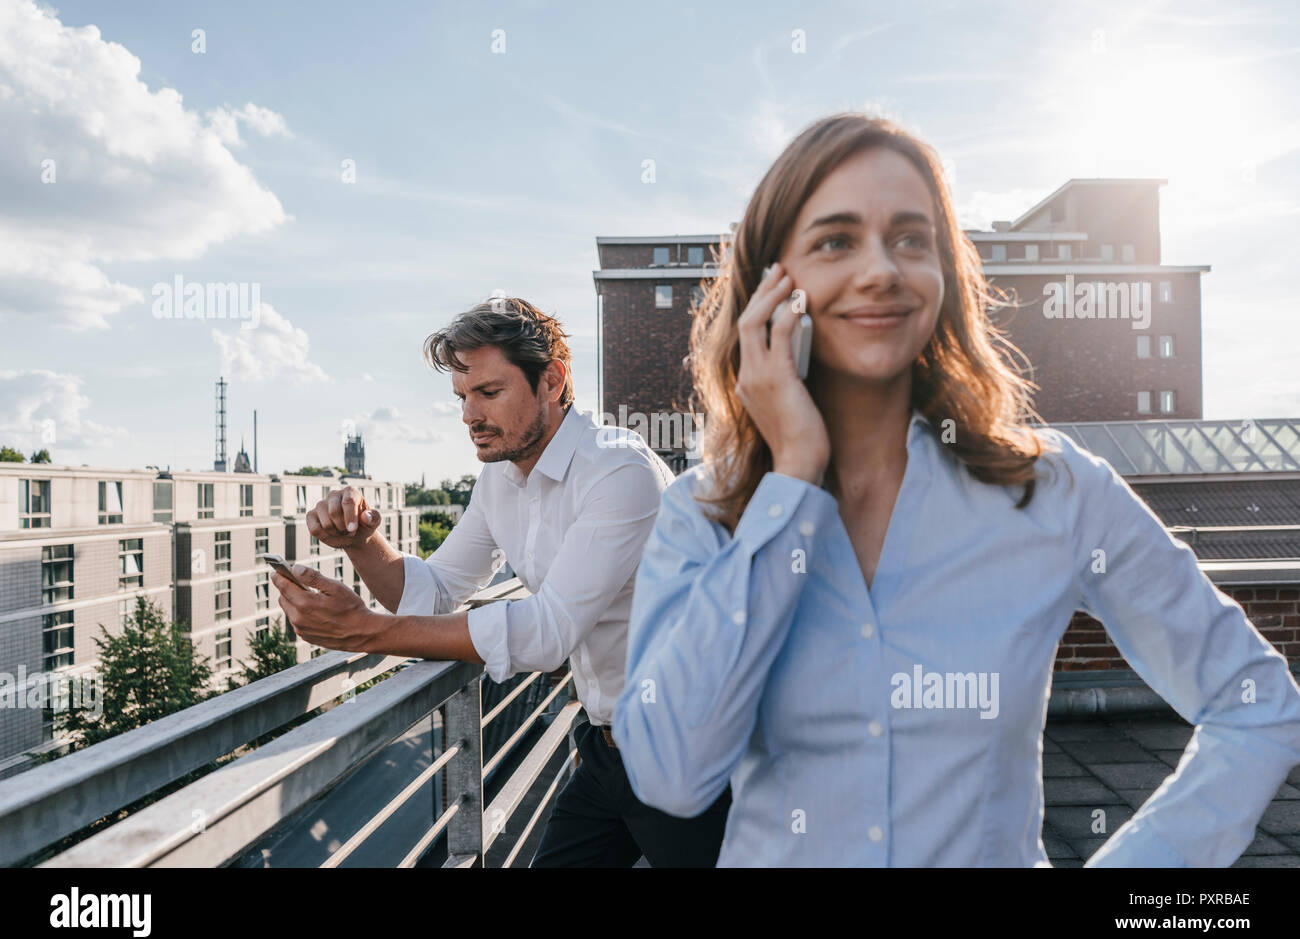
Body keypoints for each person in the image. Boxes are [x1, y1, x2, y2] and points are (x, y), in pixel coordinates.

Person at [611, 112, 1300, 866]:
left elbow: (1255, 702)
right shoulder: (704, 514)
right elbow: (670, 776)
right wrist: (793, 478)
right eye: (836, 240)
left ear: (945, 275)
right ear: (771, 285)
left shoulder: (1054, 489)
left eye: (911, 238)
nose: (881, 270)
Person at [271, 296, 730, 867]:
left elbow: (547, 633)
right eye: (463, 397)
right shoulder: (499, 481)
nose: (470, 415)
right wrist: (361, 544)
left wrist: (367, 633)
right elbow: (436, 591)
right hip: (607, 748)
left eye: (489, 393)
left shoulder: (617, 470)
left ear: (552, 381)